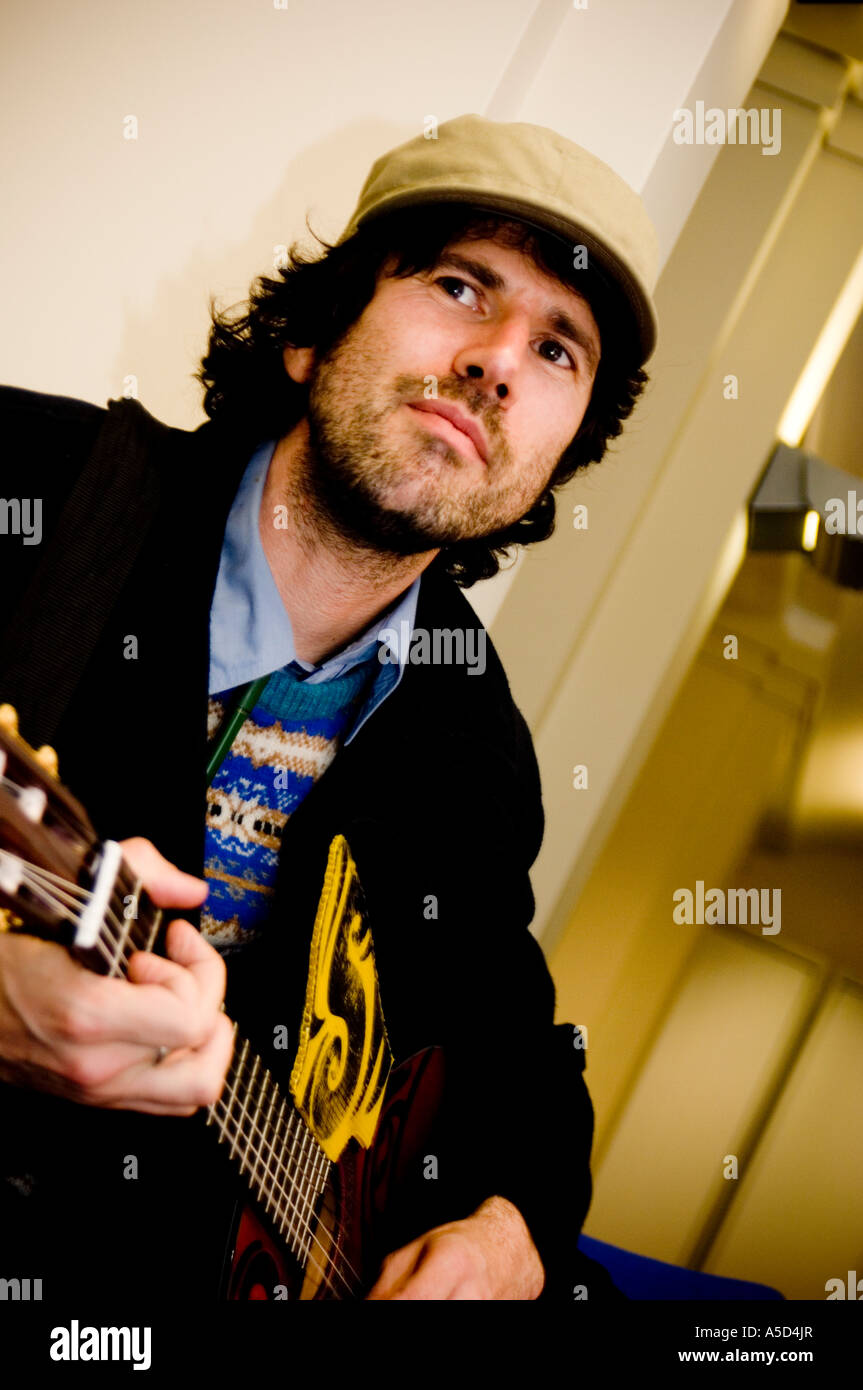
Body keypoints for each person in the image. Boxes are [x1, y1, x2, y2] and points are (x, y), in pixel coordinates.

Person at [0, 113, 658, 1302]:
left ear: (556, 457)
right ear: (311, 331)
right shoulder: (31, 490)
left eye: (559, 351)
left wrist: (513, 1225)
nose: (499, 359)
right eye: (461, 285)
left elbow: (526, 1067)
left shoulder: (473, 744)